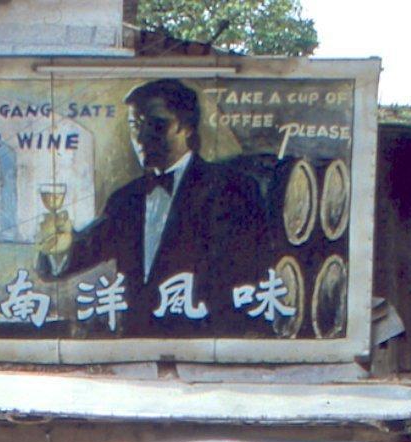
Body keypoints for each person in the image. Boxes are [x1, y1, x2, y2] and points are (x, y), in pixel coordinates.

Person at [37, 78, 269, 335]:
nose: (142, 137)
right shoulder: (125, 200)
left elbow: (254, 275)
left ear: (188, 127)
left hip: (206, 346)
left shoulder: (233, 190)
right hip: (138, 345)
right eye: (135, 125)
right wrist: (58, 252)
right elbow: (80, 253)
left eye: (157, 125)